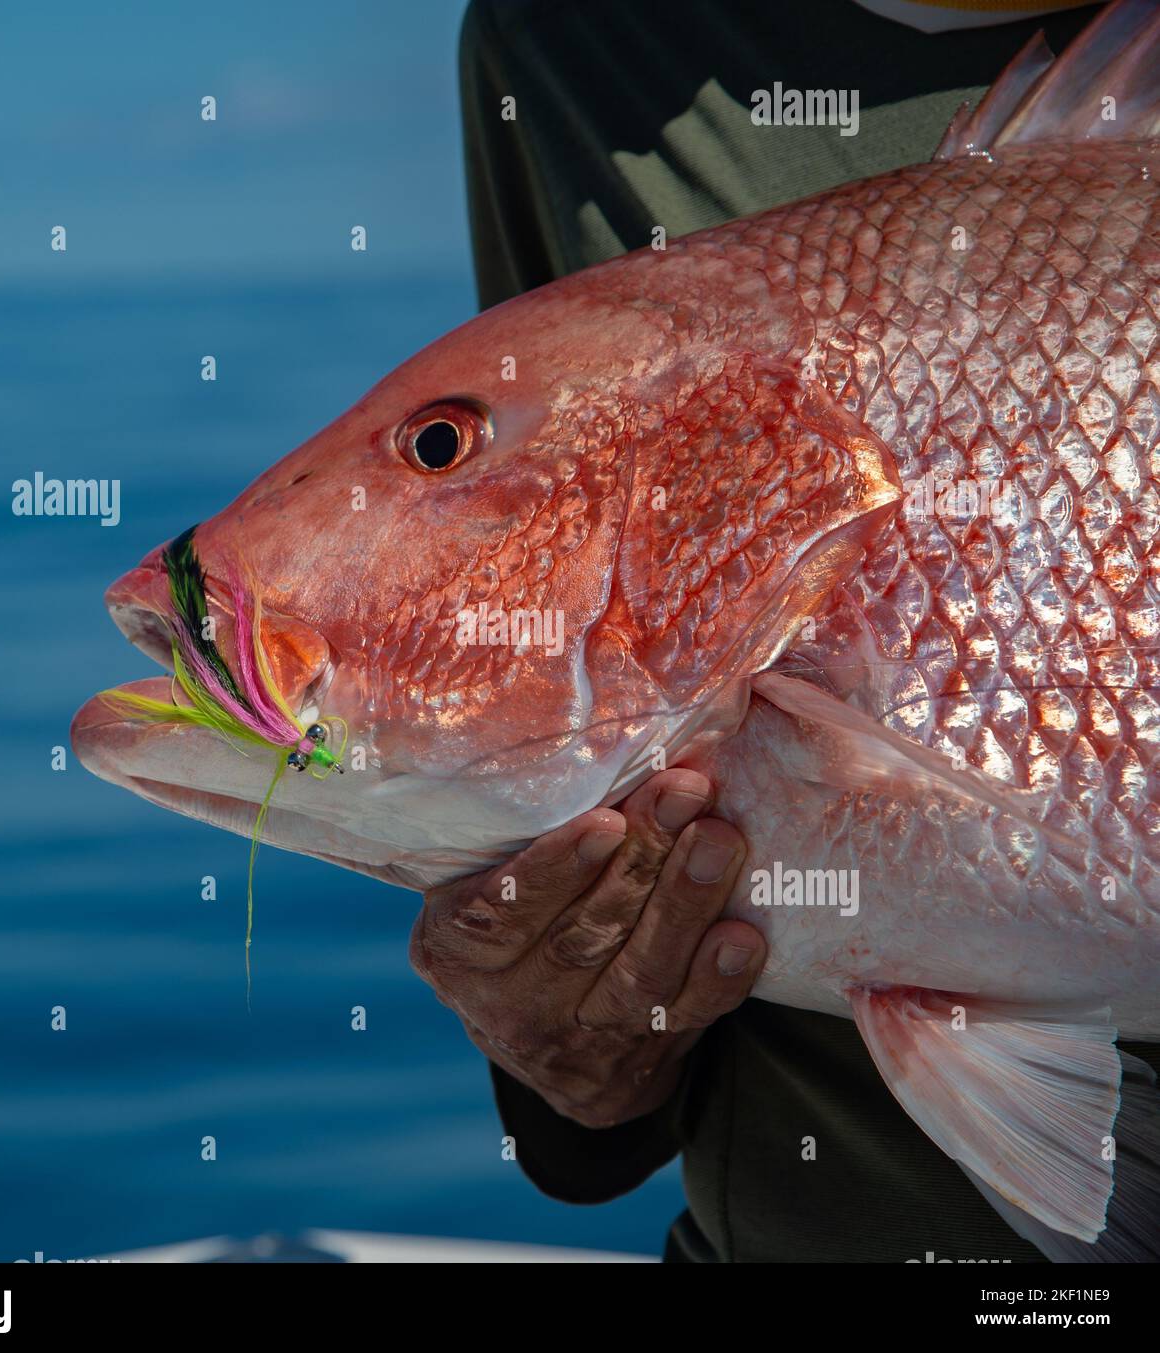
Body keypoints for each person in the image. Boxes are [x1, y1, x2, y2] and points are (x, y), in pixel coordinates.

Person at [407, 0, 1159, 1264]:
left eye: (439, 448)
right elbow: (592, 1085)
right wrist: (568, 1050)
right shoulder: (577, 47)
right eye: (437, 447)